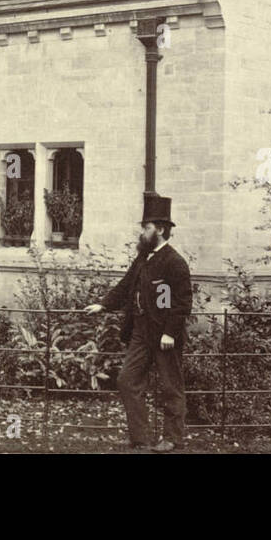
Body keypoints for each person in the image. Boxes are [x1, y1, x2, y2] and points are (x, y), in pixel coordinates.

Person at [85, 192, 192, 452]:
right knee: (126, 380)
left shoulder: (175, 262)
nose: (142, 233)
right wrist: (104, 304)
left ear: (161, 230)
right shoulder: (144, 259)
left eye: (146, 228)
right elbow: (125, 286)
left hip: (165, 336)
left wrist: (170, 333)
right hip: (141, 332)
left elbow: (182, 303)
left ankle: (173, 438)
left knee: (171, 387)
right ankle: (140, 438)